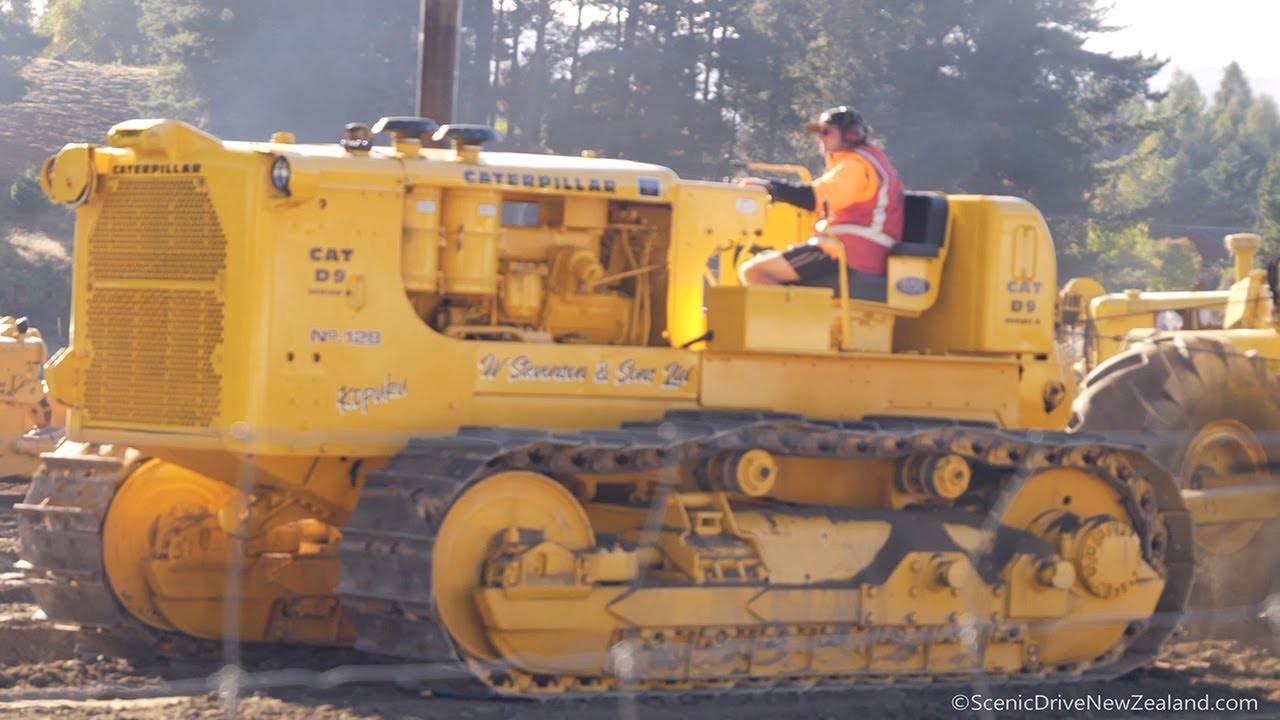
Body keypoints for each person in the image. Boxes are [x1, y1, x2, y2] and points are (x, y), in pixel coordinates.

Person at [737, 106, 905, 293]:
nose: (820, 138)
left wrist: (771, 187)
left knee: (755, 271)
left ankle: (794, 323)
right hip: (856, 253)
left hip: (847, 253)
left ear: (851, 135)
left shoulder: (855, 166)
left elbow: (814, 197)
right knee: (769, 263)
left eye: (826, 132)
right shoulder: (864, 162)